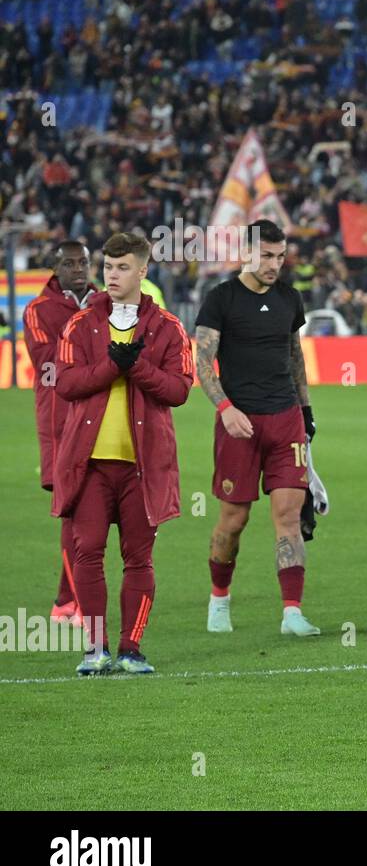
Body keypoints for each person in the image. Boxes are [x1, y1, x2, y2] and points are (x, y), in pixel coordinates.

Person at [53, 232, 192, 675]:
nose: (113, 276)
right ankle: (96, 649)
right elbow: (67, 384)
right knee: (87, 552)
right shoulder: (81, 323)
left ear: (143, 271)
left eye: (123, 268)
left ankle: (131, 649)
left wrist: (137, 366)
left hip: (142, 466)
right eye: (109, 268)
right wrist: (113, 365)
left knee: (138, 558)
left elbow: (179, 390)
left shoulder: (168, 327)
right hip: (90, 465)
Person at [194, 219, 321, 637]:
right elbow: (201, 363)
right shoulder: (221, 298)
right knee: (234, 520)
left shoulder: (289, 299)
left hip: (284, 419)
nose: (274, 264)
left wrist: (306, 410)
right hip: (239, 424)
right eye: (266, 255)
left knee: (287, 517)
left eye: (280, 256)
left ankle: (292, 612)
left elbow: (295, 354)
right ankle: (218, 599)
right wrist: (226, 408)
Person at [23, 239, 95, 622]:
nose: (78, 269)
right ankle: (73, 601)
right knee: (76, 514)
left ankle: (67, 601)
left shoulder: (106, 301)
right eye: (70, 264)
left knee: (93, 515)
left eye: (83, 262)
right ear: (56, 268)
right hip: (60, 425)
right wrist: (94, 353)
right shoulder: (38, 310)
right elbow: (49, 366)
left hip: (103, 421)